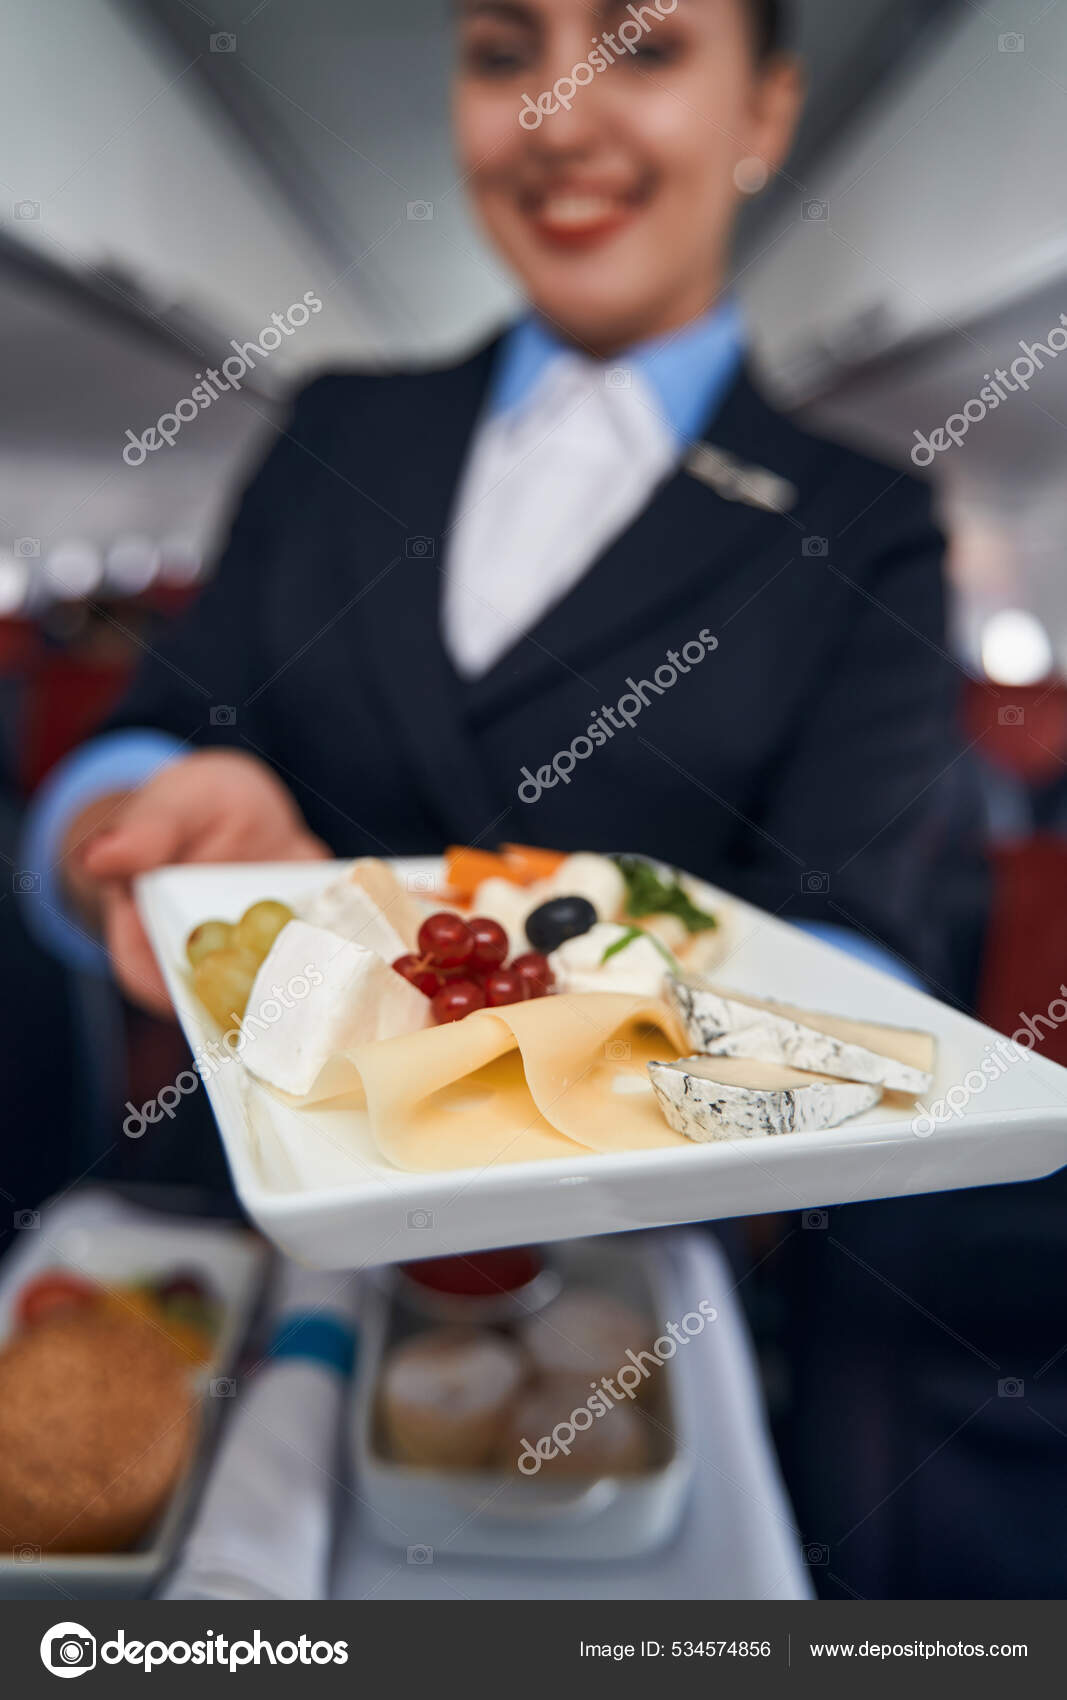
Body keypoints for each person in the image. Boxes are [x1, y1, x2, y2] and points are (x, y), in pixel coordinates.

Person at [25, 0, 971, 1012]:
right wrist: (128, 840)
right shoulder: (335, 428)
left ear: (762, 114)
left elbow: (857, 945)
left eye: (643, 50)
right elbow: (160, 726)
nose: (556, 122)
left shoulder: (866, 523)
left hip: (650, 1157)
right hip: (264, 1154)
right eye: (502, 55)